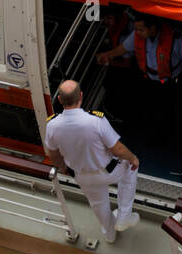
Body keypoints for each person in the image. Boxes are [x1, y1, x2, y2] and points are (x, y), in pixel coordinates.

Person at [43, 79, 140, 243]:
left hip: (81, 176)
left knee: (98, 203)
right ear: (81, 96)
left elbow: (53, 154)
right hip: (108, 172)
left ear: (59, 99)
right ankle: (124, 216)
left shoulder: (52, 125)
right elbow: (117, 149)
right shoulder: (96, 121)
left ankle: (109, 235)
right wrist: (133, 158)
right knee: (131, 168)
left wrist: (63, 168)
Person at [96, 14, 182, 86]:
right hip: (149, 79)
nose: (137, 32)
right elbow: (122, 49)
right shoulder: (137, 34)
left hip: (171, 81)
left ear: (152, 29)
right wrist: (107, 55)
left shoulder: (177, 39)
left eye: (141, 30)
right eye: (136, 29)